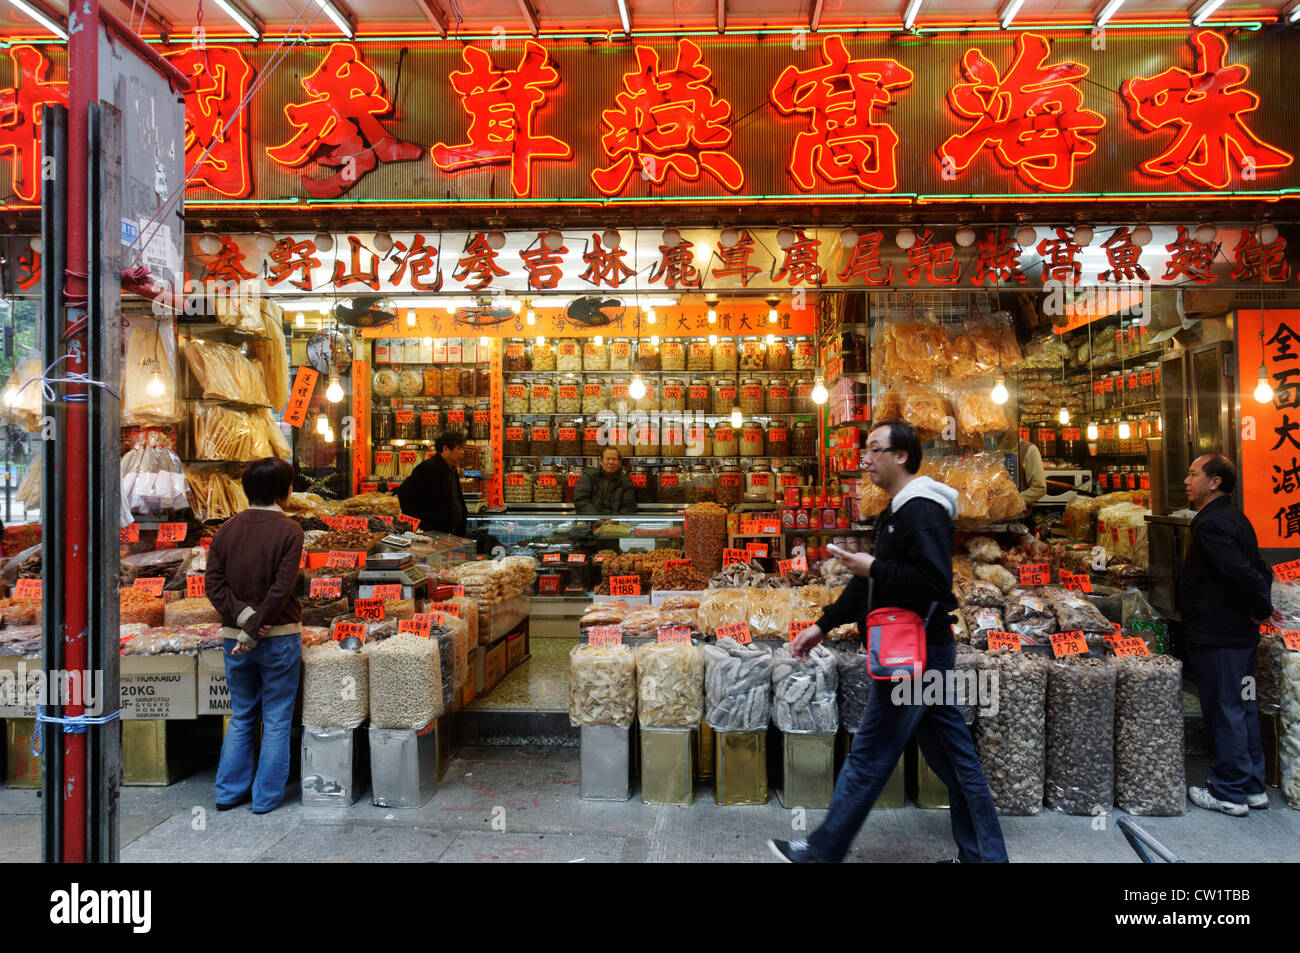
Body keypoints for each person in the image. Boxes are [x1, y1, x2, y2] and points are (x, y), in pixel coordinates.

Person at [769, 419, 1008, 864]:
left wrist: (872, 568)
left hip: (914, 653)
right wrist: (824, 624)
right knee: (956, 761)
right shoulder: (900, 510)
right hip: (923, 651)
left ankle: (821, 850)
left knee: (871, 753)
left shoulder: (922, 510)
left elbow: (934, 582)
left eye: (876, 449)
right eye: (867, 448)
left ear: (901, 455)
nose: (867, 458)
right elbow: (872, 583)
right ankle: (985, 858)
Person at [205, 457, 305, 814]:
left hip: (234, 638)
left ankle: (229, 792)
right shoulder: (290, 530)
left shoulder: (225, 530)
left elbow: (213, 585)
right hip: (279, 635)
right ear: (284, 491)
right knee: (277, 718)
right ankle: (265, 798)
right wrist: (256, 622)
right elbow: (281, 590)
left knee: (243, 714)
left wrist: (244, 620)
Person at [1180, 453, 1276, 816]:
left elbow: (1240, 571)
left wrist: (1262, 606)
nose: (1187, 480)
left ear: (1215, 482)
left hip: (1220, 636)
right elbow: (1259, 568)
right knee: (1244, 704)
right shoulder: (1236, 517)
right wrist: (1259, 604)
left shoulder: (1211, 523)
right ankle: (1253, 787)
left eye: (1193, 474)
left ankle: (1228, 792)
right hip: (1240, 638)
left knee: (1225, 709)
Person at [396, 430, 468, 537]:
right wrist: (423, 527)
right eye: (459, 448)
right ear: (445, 449)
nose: (463, 452)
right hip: (433, 535)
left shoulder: (451, 468)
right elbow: (404, 494)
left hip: (450, 534)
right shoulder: (427, 468)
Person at [573, 446, 638, 515]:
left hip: (615, 523)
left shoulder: (625, 481)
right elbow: (581, 500)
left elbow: (629, 506)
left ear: (619, 462)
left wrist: (615, 520)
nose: (611, 462)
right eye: (608, 459)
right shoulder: (589, 476)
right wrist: (596, 518)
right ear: (601, 461)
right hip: (591, 520)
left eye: (614, 459)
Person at [1017, 435, 1046, 513]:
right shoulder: (991, 448)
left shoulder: (1029, 449)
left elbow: (1039, 489)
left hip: (1020, 518)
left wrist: (1011, 502)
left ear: (1019, 424)